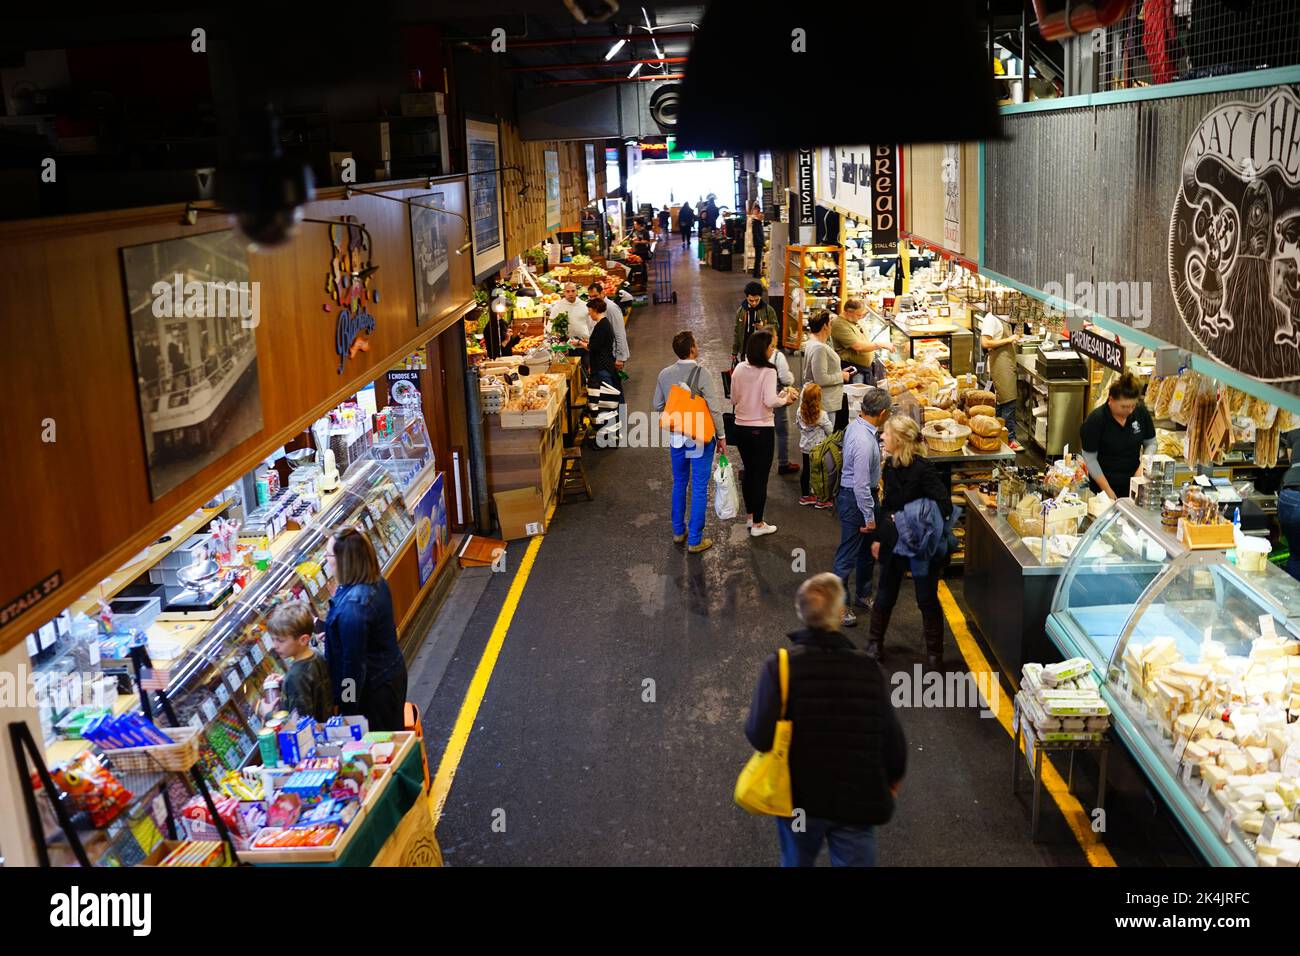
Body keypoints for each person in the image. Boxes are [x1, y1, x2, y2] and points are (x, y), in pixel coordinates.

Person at [744, 572, 907, 867]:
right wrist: (893, 779)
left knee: (796, 860)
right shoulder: (868, 668)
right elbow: (891, 738)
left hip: (799, 799)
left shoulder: (779, 667)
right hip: (856, 801)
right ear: (840, 614)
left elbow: (759, 736)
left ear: (801, 613)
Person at [867, 416, 955, 666]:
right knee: (885, 594)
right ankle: (875, 643)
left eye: (887, 433)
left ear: (900, 440)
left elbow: (944, 505)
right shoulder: (890, 466)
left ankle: (934, 655)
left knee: (926, 599)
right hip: (894, 544)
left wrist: (906, 518)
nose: (882, 437)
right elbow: (886, 507)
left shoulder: (924, 470)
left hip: (921, 547)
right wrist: (878, 538)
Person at [323, 528, 408, 731]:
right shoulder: (376, 581)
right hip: (390, 676)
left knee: (380, 749)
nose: (326, 560)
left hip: (373, 694)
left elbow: (353, 668)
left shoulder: (353, 607)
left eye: (328, 555)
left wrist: (347, 708)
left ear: (345, 560)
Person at [652, 330, 728, 554]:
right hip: (700, 438)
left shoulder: (665, 374)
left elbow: (658, 405)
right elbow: (714, 409)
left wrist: (677, 411)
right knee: (699, 488)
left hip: (677, 439)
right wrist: (721, 436)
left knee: (679, 483)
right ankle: (695, 539)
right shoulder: (701, 373)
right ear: (692, 349)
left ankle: (679, 531)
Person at [730, 329, 797, 537]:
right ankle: (758, 524)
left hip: (740, 428)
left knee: (749, 473)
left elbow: (733, 399)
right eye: (770, 346)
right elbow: (769, 401)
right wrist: (785, 399)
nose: (772, 349)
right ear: (762, 349)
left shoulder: (740, 368)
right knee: (760, 477)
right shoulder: (769, 371)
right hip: (761, 430)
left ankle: (751, 517)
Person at [835, 388, 891, 629]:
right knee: (847, 555)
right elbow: (859, 485)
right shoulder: (863, 441)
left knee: (866, 551)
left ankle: (863, 594)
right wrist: (869, 516)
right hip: (857, 500)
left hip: (863, 497)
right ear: (883, 413)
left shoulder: (858, 426)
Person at [1080, 371, 1156, 500]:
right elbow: (1090, 459)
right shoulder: (1096, 420)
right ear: (1111, 400)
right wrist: (1107, 491)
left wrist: (1143, 466)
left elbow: (1151, 443)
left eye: (1133, 405)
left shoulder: (1140, 412)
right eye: (1124, 407)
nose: (1130, 410)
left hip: (1134, 484)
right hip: (1103, 488)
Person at [262, 602, 334, 722]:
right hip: (326, 725)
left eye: (280, 640)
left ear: (303, 640)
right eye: (273, 639)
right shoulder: (317, 655)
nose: (275, 646)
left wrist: (268, 715)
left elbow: (300, 724)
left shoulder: (295, 677)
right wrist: (285, 682)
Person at [802, 310, 852, 432]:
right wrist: (841, 375)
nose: (831, 327)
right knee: (824, 442)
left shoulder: (814, 344)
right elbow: (821, 378)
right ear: (824, 326)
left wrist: (837, 370)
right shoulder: (819, 348)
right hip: (824, 402)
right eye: (830, 323)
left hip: (822, 402)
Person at [979, 311, 1022, 451]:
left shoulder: (1004, 318)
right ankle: (1009, 439)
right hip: (1000, 364)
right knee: (1008, 401)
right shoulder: (992, 319)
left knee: (1002, 402)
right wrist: (1009, 340)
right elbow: (985, 342)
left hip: (1006, 362)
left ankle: (999, 436)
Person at [832, 299, 894, 384]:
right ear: (849, 312)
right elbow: (858, 346)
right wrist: (880, 344)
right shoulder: (839, 325)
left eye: (862, 315)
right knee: (858, 395)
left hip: (864, 369)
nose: (860, 318)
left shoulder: (853, 320)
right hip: (854, 370)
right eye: (858, 315)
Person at [797, 382, 834, 508]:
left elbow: (798, 424)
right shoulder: (822, 415)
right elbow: (830, 431)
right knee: (820, 473)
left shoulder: (799, 412)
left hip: (805, 446)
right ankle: (821, 499)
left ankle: (805, 496)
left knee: (806, 470)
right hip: (819, 448)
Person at [732, 281, 779, 364]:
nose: (754, 303)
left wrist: (764, 328)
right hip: (745, 351)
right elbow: (737, 332)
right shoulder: (740, 312)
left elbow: (776, 327)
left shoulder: (769, 310)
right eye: (751, 300)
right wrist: (734, 351)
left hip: (763, 351)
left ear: (761, 297)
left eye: (757, 300)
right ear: (746, 297)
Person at [548, 282, 592, 369]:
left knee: (585, 370)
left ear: (577, 292)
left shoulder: (585, 305)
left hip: (583, 345)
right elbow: (550, 326)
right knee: (571, 372)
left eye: (573, 291)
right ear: (564, 293)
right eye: (568, 291)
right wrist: (557, 334)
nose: (570, 294)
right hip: (567, 347)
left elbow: (591, 324)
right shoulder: (558, 307)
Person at [587, 282, 629, 371]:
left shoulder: (611, 308)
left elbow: (619, 333)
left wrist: (620, 357)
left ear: (602, 293)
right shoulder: (596, 308)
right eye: (590, 297)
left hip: (612, 355)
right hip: (603, 355)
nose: (592, 299)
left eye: (595, 296)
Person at [748, 202, 766, 279]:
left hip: (758, 242)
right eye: (760, 215)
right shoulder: (756, 223)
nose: (762, 216)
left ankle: (756, 273)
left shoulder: (756, 222)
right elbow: (757, 234)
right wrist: (762, 242)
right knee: (758, 258)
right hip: (758, 242)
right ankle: (756, 273)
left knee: (758, 258)